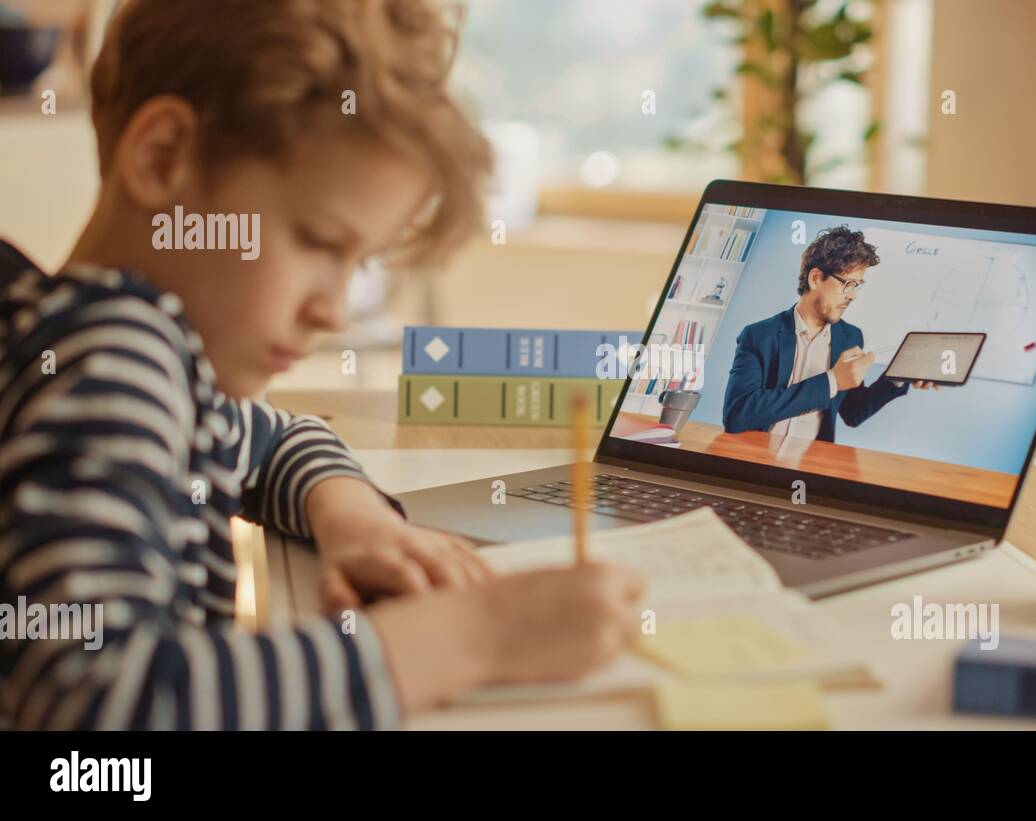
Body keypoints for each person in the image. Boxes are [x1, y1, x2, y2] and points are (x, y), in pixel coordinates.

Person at [0, 0, 643, 730]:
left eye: (357, 262)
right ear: (161, 158)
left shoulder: (119, 349)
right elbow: (97, 704)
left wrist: (355, 517)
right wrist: (475, 636)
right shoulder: (114, 361)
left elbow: (273, 440)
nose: (333, 310)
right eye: (318, 241)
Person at [722, 225, 936, 443]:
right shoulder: (759, 336)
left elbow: (853, 412)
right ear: (815, 278)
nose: (853, 296)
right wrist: (831, 381)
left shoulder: (850, 337)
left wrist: (898, 377)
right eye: (848, 284)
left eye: (858, 286)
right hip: (757, 459)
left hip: (812, 465)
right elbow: (737, 414)